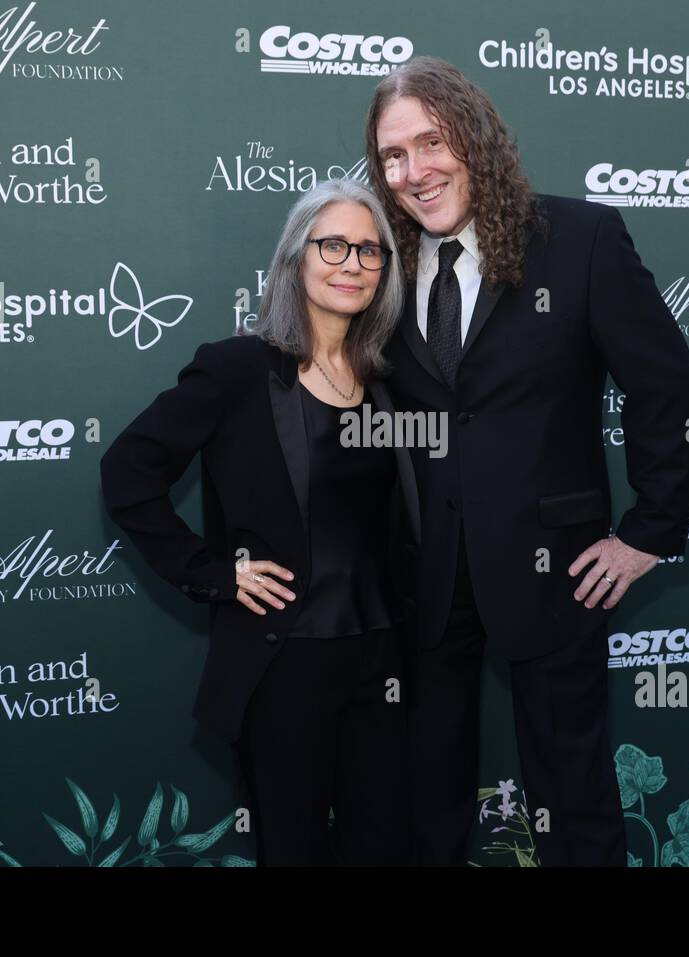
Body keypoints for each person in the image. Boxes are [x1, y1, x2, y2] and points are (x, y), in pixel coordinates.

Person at [365, 56, 689, 865]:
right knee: (422, 797)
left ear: (476, 137)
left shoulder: (580, 239)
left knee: (573, 795)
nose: (415, 171)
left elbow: (667, 387)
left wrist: (648, 531)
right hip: (422, 575)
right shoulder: (379, 261)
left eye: (431, 142)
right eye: (393, 156)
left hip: (557, 569)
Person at [99, 177, 418, 865]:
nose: (352, 263)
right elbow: (127, 471)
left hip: (384, 659)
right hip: (284, 662)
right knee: (291, 848)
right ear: (296, 258)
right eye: (333, 245)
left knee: (384, 845)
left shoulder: (391, 381)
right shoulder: (238, 369)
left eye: (370, 250)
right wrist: (213, 574)